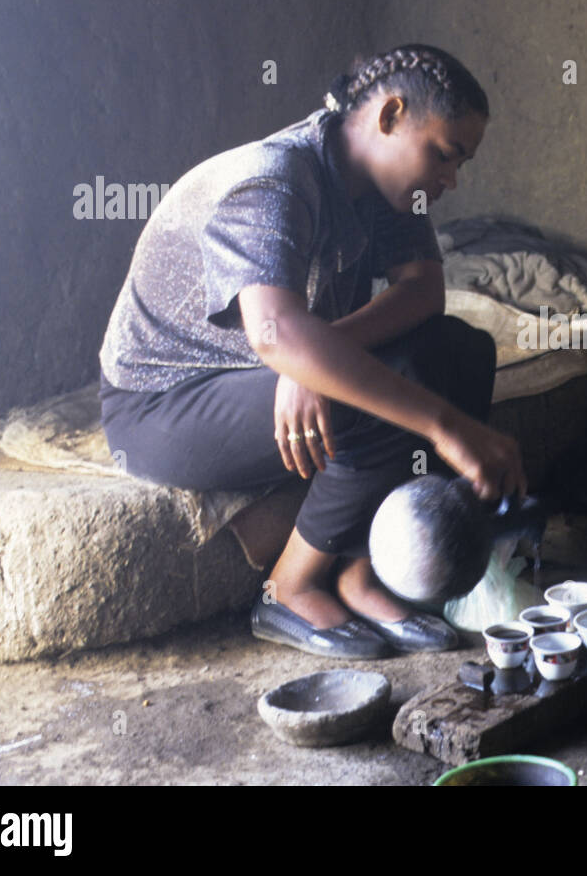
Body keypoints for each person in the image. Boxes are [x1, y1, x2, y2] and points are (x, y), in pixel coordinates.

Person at [97, 44, 527, 660]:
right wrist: (445, 426)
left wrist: (315, 353)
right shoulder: (274, 177)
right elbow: (273, 334)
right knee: (378, 396)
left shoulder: (390, 188)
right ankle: (289, 585)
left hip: (264, 361)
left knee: (461, 350)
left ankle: (360, 570)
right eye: (444, 155)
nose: (450, 180)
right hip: (164, 404)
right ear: (390, 116)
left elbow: (424, 293)